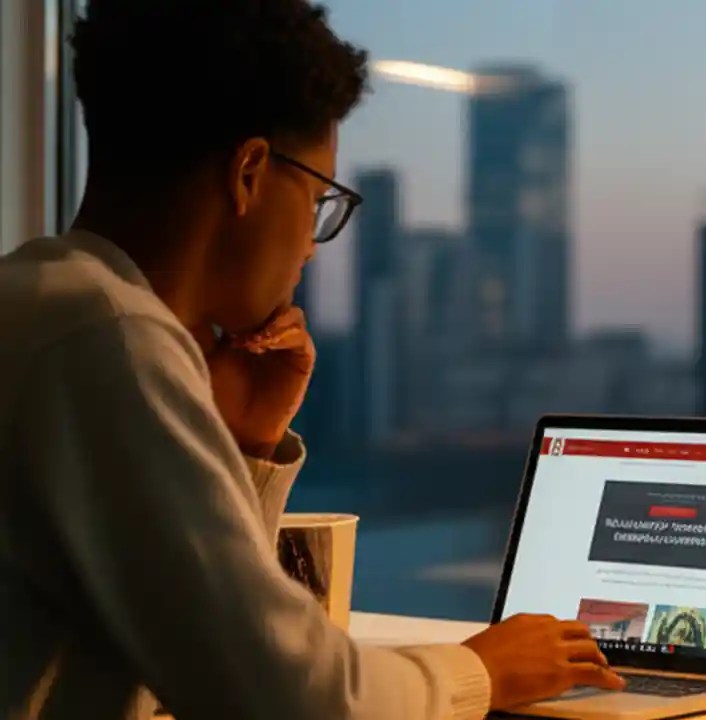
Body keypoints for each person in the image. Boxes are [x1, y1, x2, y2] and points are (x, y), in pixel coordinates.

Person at [0, 1, 624, 718]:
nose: (310, 245)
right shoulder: (107, 339)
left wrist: (248, 447)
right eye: (319, 198)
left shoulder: (46, 305)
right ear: (248, 173)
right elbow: (287, 697)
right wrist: (482, 669)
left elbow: (204, 643)